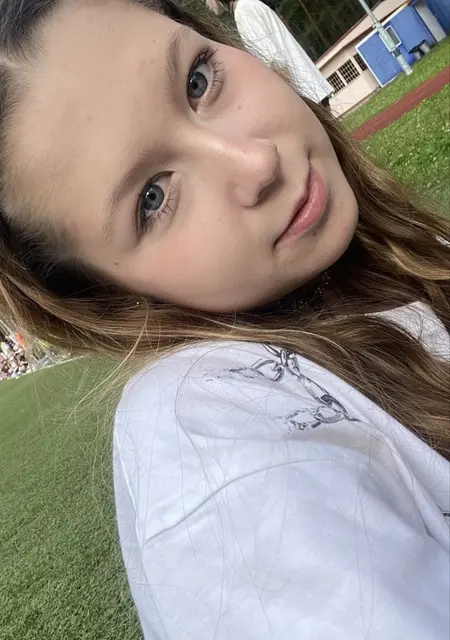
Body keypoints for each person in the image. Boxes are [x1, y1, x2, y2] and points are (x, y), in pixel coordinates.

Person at [0, 1, 448, 638]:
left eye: (197, 81)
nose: (255, 162)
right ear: (103, 296)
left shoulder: (381, 262)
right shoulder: (205, 440)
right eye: (152, 198)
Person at [206, 0, 333, 105]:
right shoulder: (250, 4)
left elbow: (272, 59)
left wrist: (291, 101)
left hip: (306, 96)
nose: (207, 5)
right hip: (311, 89)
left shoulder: (243, 11)